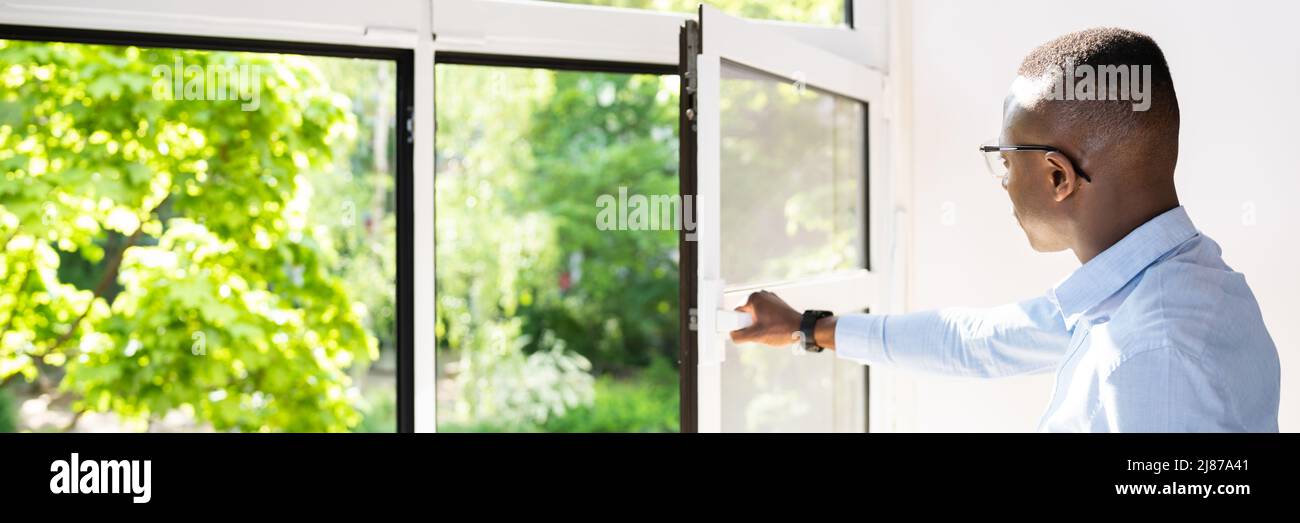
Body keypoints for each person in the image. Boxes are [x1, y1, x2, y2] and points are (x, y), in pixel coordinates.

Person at [730, 27, 1280, 432]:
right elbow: (976, 341)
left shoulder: (1150, 349)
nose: (1002, 181)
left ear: (1058, 175)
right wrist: (809, 327)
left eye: (1005, 158)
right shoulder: (1180, 284)